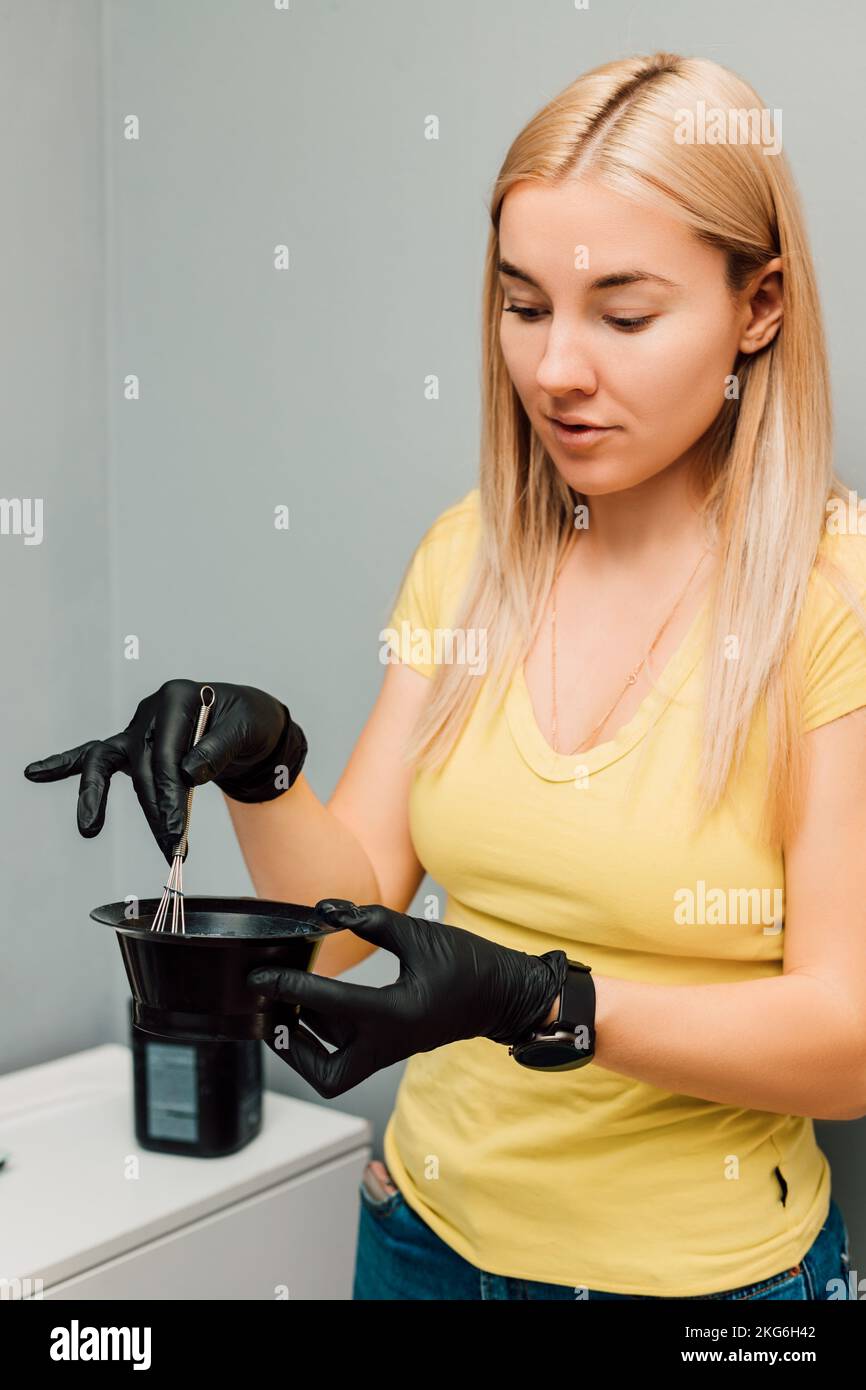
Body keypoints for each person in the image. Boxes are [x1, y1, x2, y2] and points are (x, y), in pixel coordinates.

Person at [25, 52, 866, 1301]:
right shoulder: (470, 554)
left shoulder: (829, 595)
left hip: (705, 1289)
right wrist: (265, 769)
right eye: (522, 306)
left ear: (760, 307)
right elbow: (343, 921)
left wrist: (544, 1002)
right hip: (421, 1240)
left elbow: (845, 1040)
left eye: (622, 315)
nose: (555, 370)